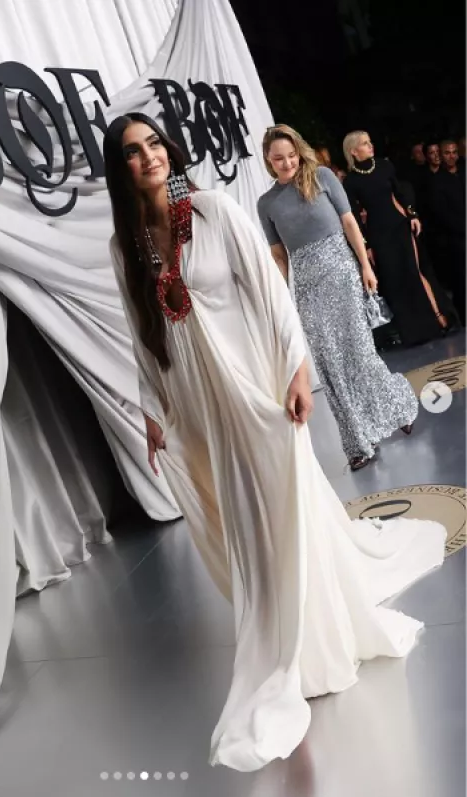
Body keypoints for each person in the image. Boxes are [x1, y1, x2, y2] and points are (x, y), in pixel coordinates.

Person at [103, 112, 445, 774]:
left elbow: (269, 289)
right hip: (197, 400)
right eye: (131, 152)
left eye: (153, 144)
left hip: (255, 386)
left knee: (285, 502)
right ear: (119, 169)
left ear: (167, 151)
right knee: (242, 517)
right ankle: (278, 622)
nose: (147, 157)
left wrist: (296, 369)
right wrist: (153, 412)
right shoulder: (126, 245)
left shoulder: (212, 209)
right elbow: (143, 335)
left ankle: (306, 638)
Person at [257, 125, 417, 471]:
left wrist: (364, 266)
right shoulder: (266, 203)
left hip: (342, 270)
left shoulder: (324, 177)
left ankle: (397, 407)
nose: (286, 164)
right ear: (268, 162)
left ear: (299, 153)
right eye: (277, 159)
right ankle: (358, 443)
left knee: (358, 353)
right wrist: (285, 296)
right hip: (307, 285)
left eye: (290, 156)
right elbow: (279, 255)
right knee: (330, 366)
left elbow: (348, 222)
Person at [343, 131, 456, 345]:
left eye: (370, 142)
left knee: (414, 272)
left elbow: (401, 192)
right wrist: (366, 246)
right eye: (365, 144)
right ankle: (412, 333)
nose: (370, 146)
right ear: (353, 150)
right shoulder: (350, 182)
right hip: (378, 235)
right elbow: (355, 218)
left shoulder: (385, 166)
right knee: (394, 281)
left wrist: (412, 214)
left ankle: (437, 322)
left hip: (399, 226)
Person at [429, 140, 466, 324]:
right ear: (441, 155)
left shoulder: (464, 174)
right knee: (461, 281)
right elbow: (441, 212)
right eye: (447, 153)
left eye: (454, 152)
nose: (451, 156)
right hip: (456, 239)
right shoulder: (438, 181)